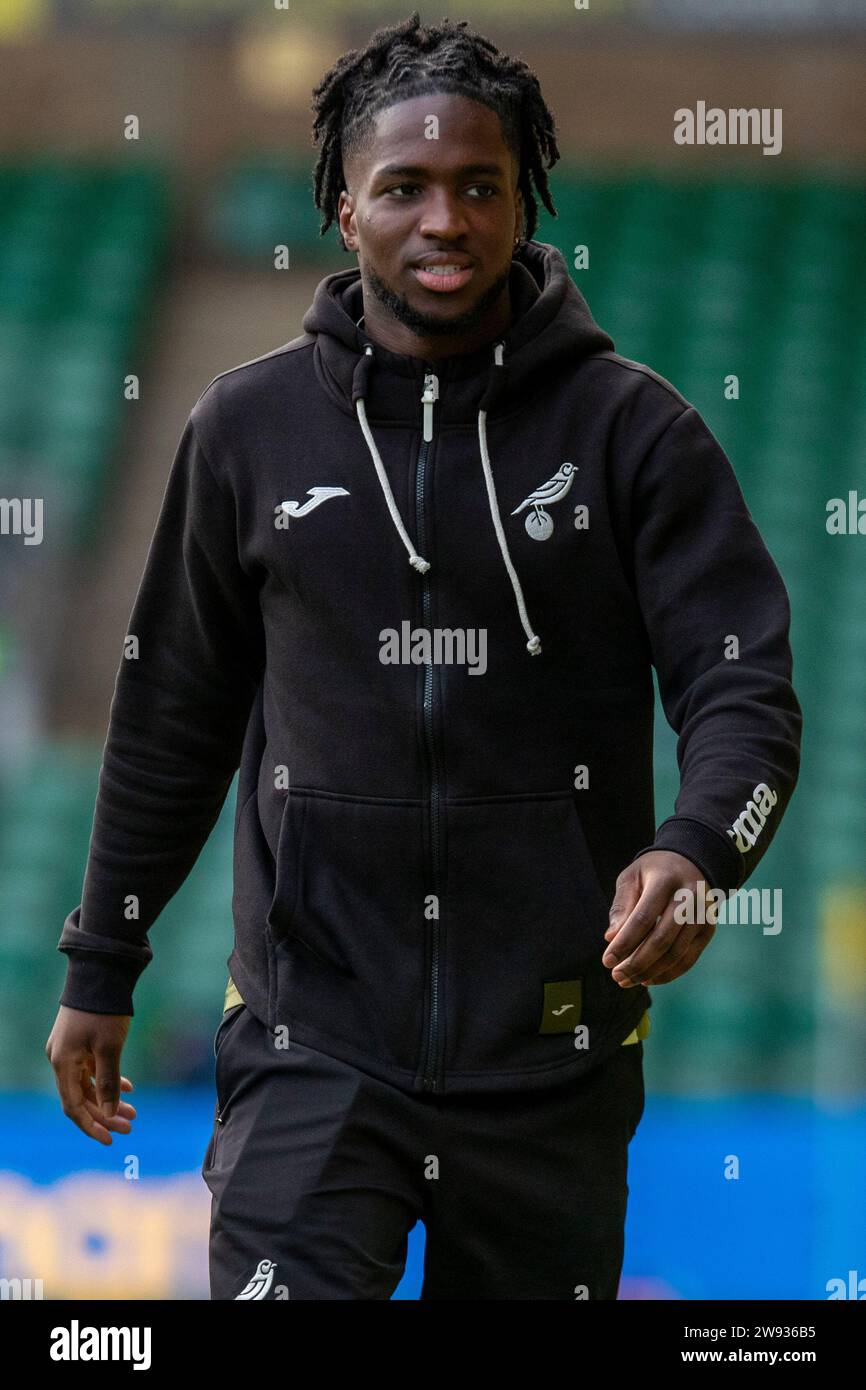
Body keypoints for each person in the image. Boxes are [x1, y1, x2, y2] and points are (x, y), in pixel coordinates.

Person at [45, 12, 802, 1300]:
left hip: (554, 1052)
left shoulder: (636, 435)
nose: (443, 220)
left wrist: (698, 847)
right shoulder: (246, 431)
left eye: (479, 187)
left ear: (525, 203)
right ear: (346, 209)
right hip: (312, 1040)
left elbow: (743, 687)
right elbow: (174, 713)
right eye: (403, 187)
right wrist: (102, 961)